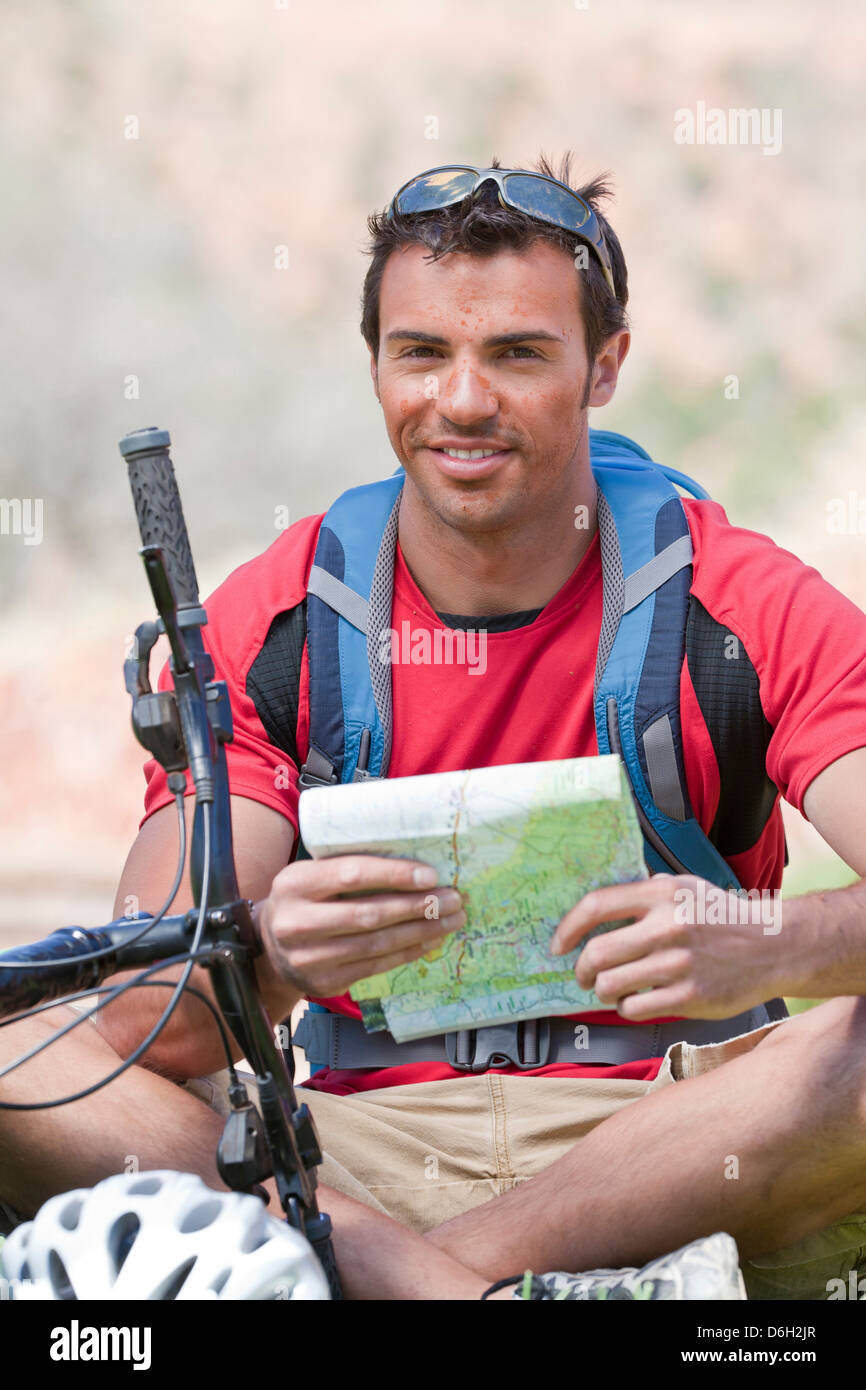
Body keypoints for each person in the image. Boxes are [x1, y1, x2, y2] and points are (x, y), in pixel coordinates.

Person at [3, 155, 866, 1301]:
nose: (461, 401)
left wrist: (764, 945)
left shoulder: (737, 599)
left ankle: (381, 1279)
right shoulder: (287, 611)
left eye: (516, 353)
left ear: (602, 368)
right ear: (375, 366)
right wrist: (267, 957)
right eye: (421, 352)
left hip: (677, 1136)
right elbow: (147, 1020)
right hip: (347, 1150)